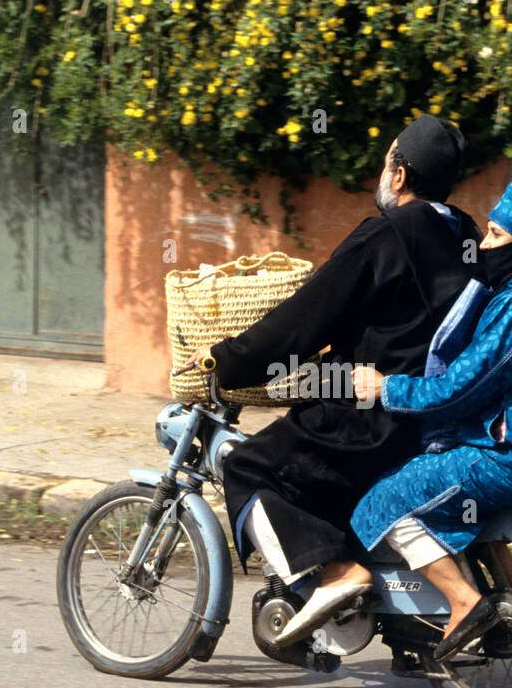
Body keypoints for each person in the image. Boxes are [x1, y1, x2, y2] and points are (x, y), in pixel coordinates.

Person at [183, 115, 482, 646]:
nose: (383, 168)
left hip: (367, 417)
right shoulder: (465, 235)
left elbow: (303, 320)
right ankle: (408, 638)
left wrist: (226, 360)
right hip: (432, 414)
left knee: (250, 467)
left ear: (399, 174)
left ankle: (335, 575)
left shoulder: (384, 236)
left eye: (388, 157)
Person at [349, 179, 512, 661]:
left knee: (384, 500)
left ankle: (462, 603)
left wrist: (385, 387)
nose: (484, 245)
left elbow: (459, 388)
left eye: (495, 234)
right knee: (470, 492)